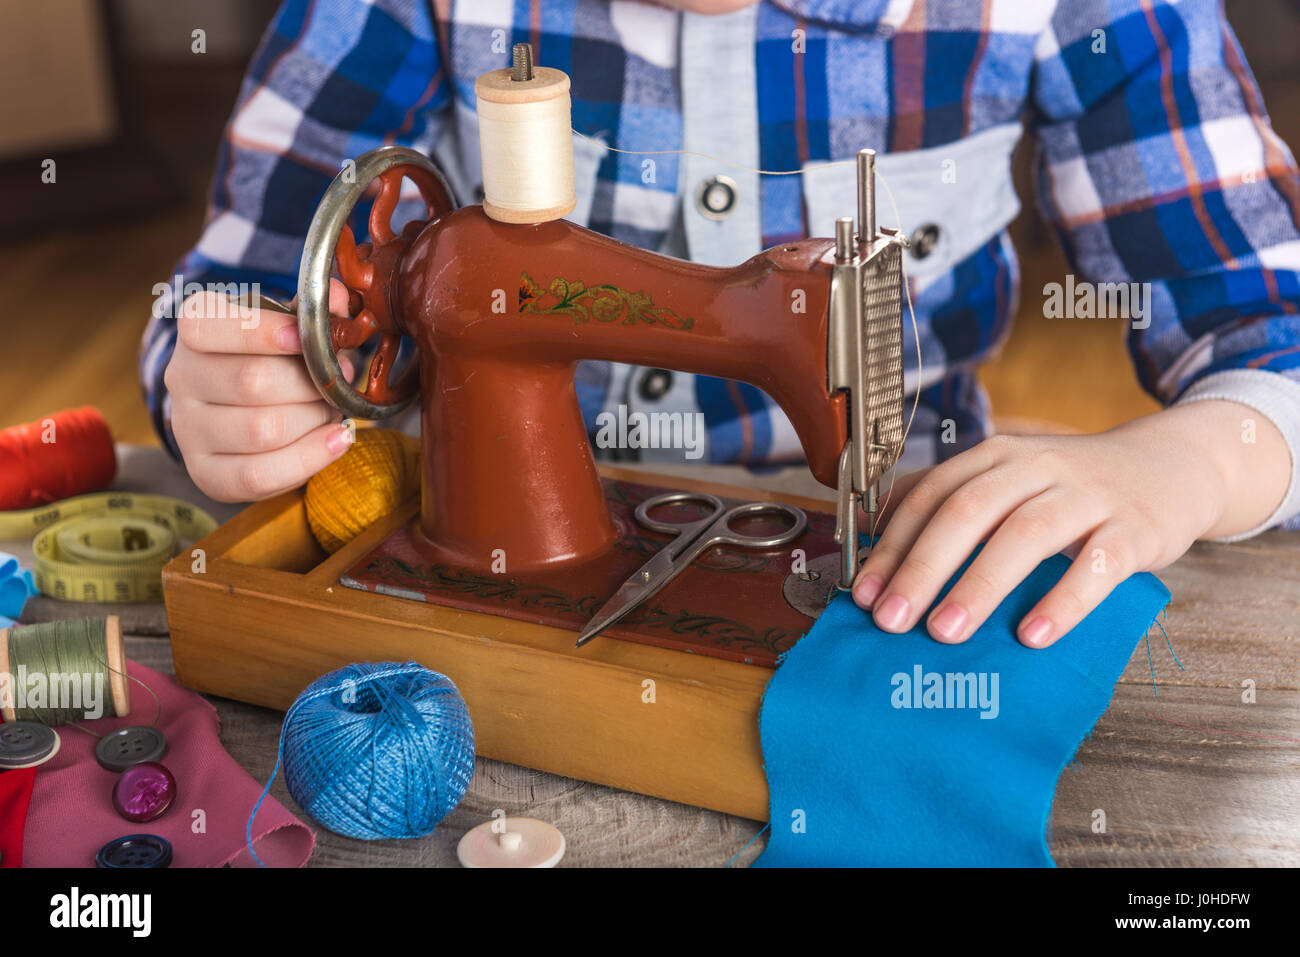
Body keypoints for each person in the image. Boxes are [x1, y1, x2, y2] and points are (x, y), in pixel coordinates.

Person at [141, 0, 1299, 649]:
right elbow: (227, 297)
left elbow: (1273, 326)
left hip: (920, 531)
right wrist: (224, 385)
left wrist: (1189, 463)